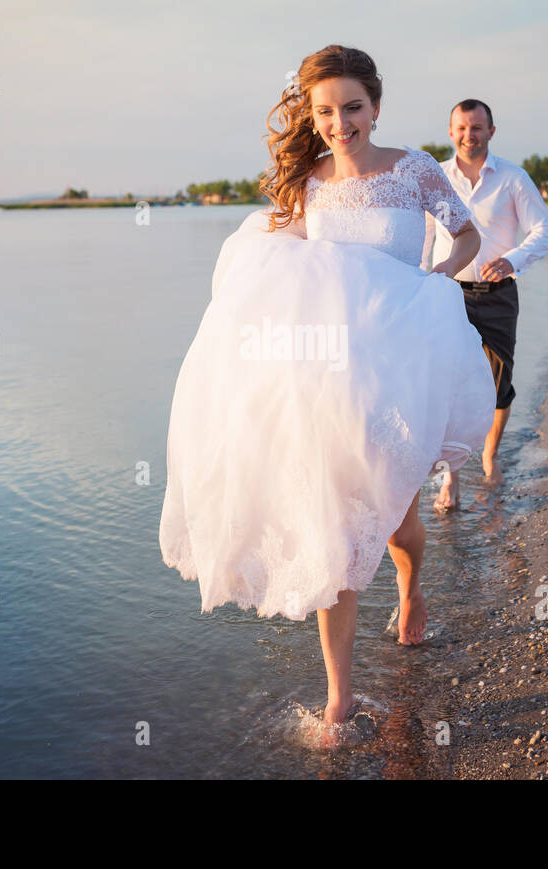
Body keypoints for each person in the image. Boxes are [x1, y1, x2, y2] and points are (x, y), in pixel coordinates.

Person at [158, 45, 494, 742]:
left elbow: (466, 234)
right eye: (325, 111)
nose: (340, 123)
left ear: (375, 105)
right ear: (310, 116)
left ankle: (409, 588)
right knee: (332, 531)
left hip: (397, 369)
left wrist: (438, 278)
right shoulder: (305, 182)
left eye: (352, 108)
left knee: (400, 522)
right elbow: (283, 269)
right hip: (325, 379)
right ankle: (339, 697)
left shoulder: (414, 170)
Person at [424, 100, 548, 512]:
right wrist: (416, 280)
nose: (469, 135)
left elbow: (543, 230)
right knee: (447, 385)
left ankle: (490, 455)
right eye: (462, 128)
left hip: (499, 292)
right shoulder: (437, 180)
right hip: (449, 293)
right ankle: (451, 474)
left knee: (499, 385)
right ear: (450, 132)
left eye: (477, 127)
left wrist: (513, 259)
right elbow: (425, 237)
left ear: (491, 131)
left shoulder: (514, 179)